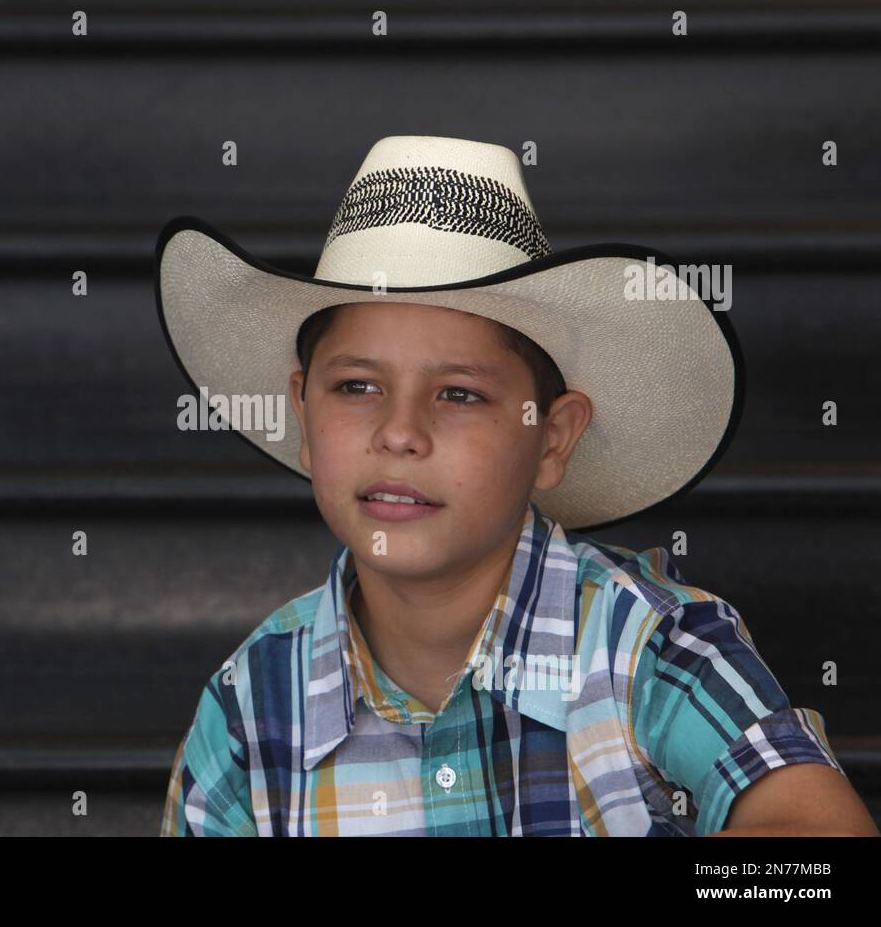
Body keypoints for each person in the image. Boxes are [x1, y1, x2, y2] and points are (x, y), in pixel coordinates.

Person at [152, 135, 876, 836]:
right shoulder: (251, 704)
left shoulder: (646, 646)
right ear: (304, 417)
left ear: (552, 439)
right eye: (357, 385)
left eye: (459, 394)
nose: (400, 431)